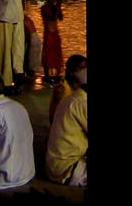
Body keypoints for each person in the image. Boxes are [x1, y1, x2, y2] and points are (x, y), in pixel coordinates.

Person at [45, 54, 88, 187]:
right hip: (67, 169)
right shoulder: (78, 100)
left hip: (58, 164)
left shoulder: (76, 97)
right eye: (82, 68)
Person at [40, 0, 64, 82]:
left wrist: (59, 6)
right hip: (49, 33)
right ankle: (47, 75)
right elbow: (52, 18)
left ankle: (57, 74)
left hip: (55, 33)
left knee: (56, 53)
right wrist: (58, 5)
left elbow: (60, 18)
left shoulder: (55, 7)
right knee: (48, 54)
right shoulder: (44, 8)